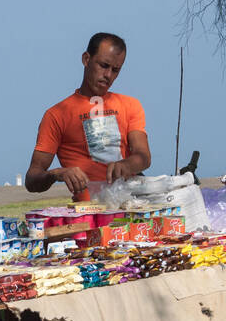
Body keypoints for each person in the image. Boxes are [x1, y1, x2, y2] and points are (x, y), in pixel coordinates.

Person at [25, 33, 151, 200]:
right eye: (104, 65)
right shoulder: (56, 115)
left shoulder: (130, 105)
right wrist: (57, 174)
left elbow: (143, 156)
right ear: (86, 59)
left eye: (115, 70)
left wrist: (126, 165)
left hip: (132, 207)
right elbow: (32, 178)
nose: (108, 75)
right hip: (91, 214)